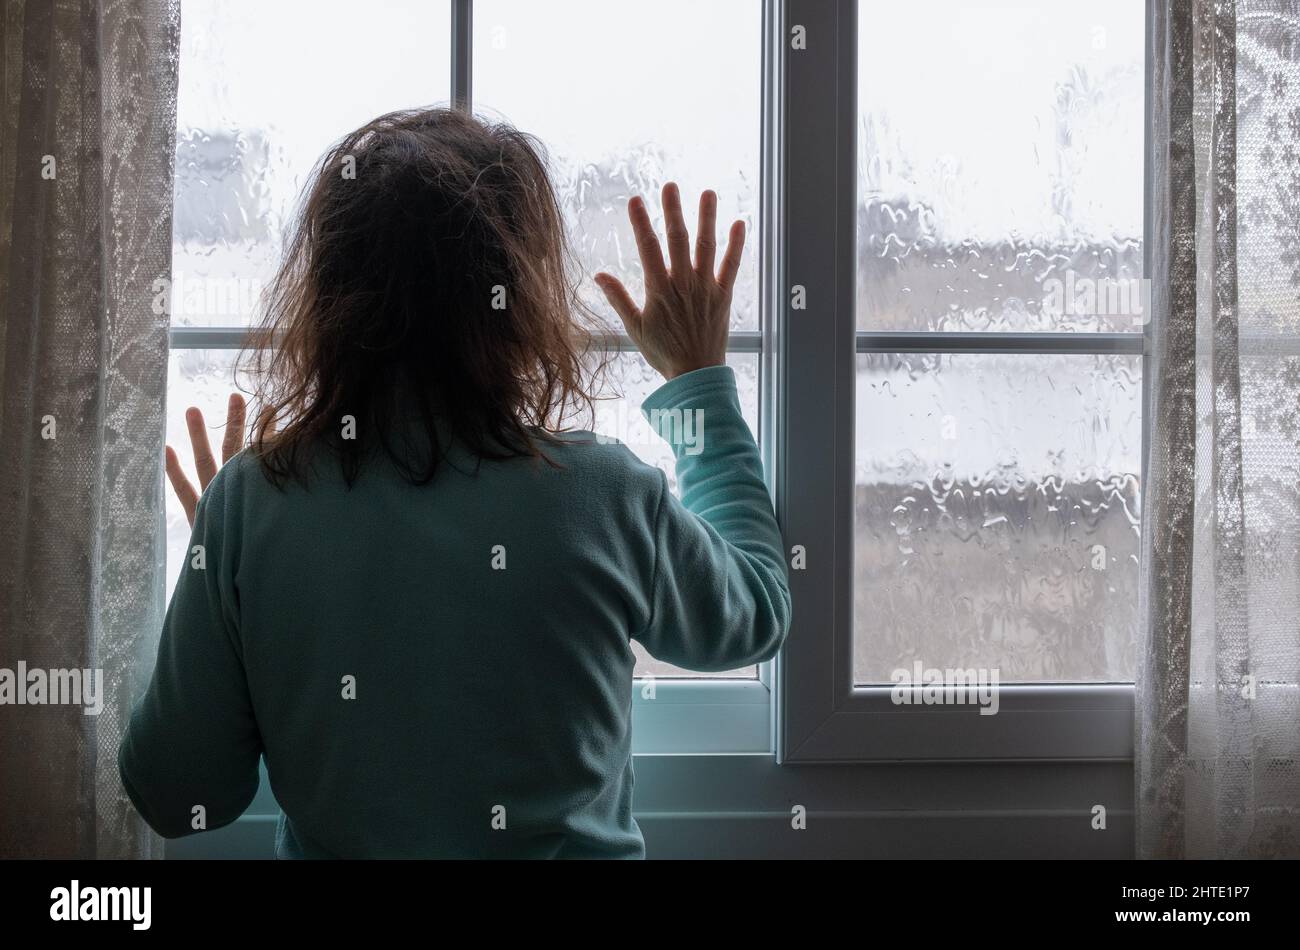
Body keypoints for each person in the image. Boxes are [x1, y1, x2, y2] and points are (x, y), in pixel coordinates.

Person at [119, 108, 790, 858]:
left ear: (327, 298)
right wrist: (697, 383)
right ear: (517, 303)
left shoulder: (251, 505)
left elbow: (180, 795)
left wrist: (225, 563)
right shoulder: (604, 494)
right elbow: (756, 610)